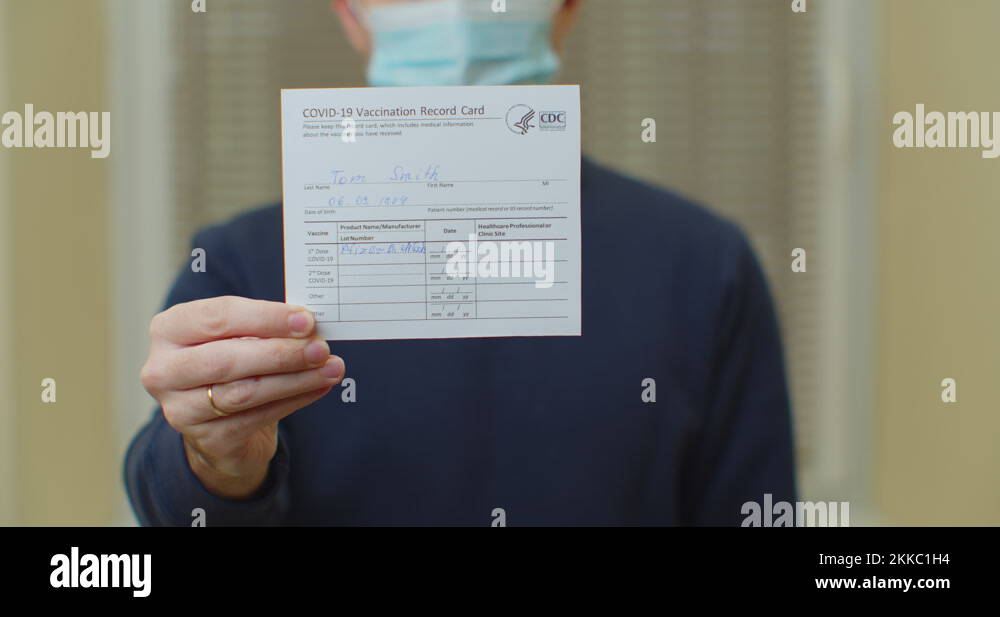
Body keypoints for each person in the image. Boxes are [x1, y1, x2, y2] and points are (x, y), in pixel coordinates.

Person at [124, 0, 796, 526]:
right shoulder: (241, 264)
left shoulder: (706, 269)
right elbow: (171, 502)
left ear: (567, 7)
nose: (459, 9)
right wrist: (217, 461)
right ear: (350, 14)